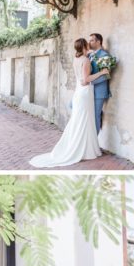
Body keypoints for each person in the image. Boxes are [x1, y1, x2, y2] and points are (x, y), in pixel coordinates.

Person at [28, 38, 101, 167]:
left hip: (79, 92)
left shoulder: (76, 59)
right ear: (84, 46)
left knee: (80, 120)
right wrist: (101, 72)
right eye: (87, 44)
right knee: (84, 120)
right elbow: (85, 80)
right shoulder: (85, 60)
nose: (89, 45)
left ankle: (86, 148)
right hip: (85, 91)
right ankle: (84, 150)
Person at [88, 32, 111, 135]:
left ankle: (94, 144)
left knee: (95, 116)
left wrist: (90, 81)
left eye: (92, 40)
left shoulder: (104, 55)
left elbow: (105, 75)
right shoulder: (91, 55)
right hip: (89, 90)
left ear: (98, 41)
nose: (89, 42)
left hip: (99, 91)